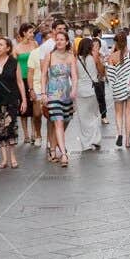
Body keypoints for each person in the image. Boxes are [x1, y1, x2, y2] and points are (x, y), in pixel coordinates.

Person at [0, 35, 27, 169]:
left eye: (1, 45)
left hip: (11, 99)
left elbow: (20, 82)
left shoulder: (14, 62)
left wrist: (24, 100)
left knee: (11, 128)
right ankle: (4, 159)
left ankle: (13, 156)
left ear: (8, 48)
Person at [42, 24, 78, 165]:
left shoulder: (70, 57)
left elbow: (74, 76)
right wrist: (43, 93)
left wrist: (74, 89)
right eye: (57, 39)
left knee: (66, 120)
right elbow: (44, 75)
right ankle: (63, 154)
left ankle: (53, 146)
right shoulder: (49, 56)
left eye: (62, 39)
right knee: (58, 121)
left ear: (67, 42)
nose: (59, 42)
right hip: (53, 94)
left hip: (67, 95)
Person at [66, 36, 105, 153]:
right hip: (92, 90)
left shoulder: (75, 60)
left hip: (80, 91)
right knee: (94, 115)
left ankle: (86, 144)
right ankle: (96, 139)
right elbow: (102, 72)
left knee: (83, 119)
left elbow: (74, 76)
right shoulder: (93, 58)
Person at [105, 27, 130, 150]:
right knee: (128, 115)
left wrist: (114, 85)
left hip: (118, 89)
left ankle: (119, 133)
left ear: (115, 42)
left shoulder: (112, 57)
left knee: (118, 114)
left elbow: (110, 76)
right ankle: (128, 141)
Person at [14, 26, 39, 147]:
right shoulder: (17, 48)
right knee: (23, 108)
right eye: (30, 32)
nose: (32, 34)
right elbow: (14, 65)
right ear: (24, 33)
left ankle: (34, 132)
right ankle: (26, 135)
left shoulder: (35, 44)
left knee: (34, 106)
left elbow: (39, 59)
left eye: (32, 32)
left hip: (33, 77)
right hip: (21, 79)